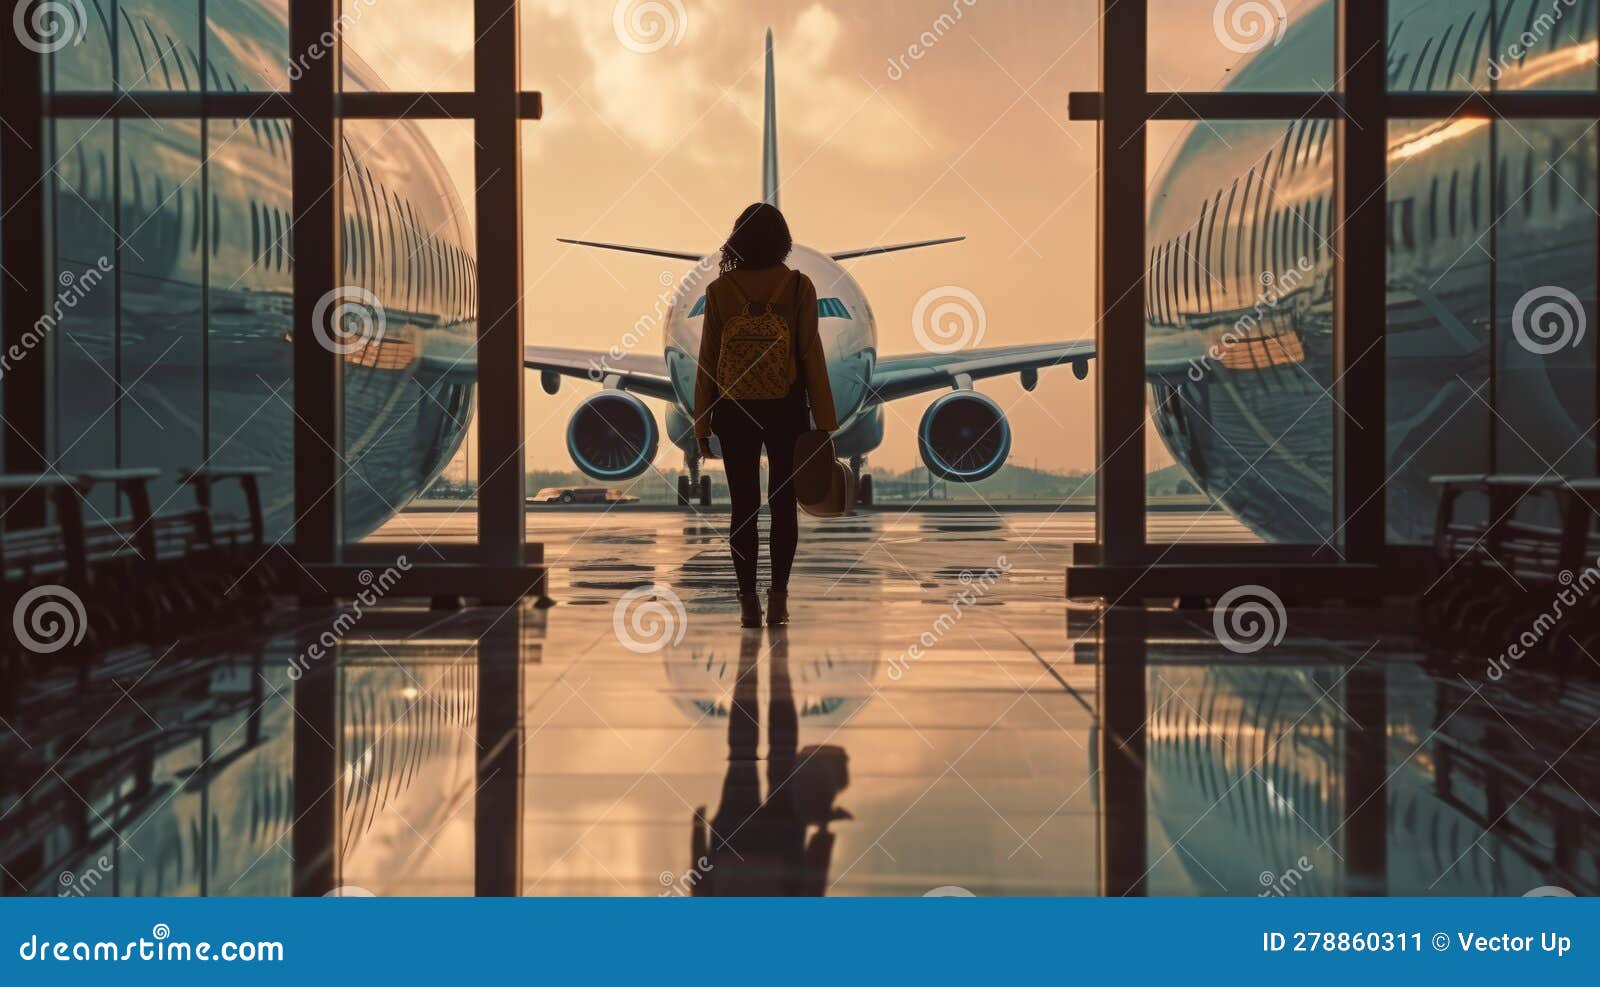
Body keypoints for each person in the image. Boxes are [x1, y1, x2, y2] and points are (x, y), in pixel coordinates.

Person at [693, 203, 838, 628]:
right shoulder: (798, 286)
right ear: (783, 241)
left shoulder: (720, 291)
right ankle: (778, 599)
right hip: (786, 408)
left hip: (734, 411)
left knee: (743, 509)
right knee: (783, 506)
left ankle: (747, 604)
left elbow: (707, 363)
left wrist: (702, 424)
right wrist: (824, 424)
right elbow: (812, 355)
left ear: (737, 239)